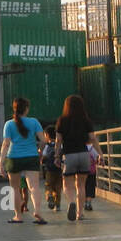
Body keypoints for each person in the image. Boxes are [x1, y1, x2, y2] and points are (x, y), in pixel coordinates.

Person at [0, 97, 48, 224]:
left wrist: (1, 162)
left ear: (14, 109)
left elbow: (5, 144)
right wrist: (40, 151)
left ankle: (18, 216)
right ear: (26, 109)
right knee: (34, 187)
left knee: (14, 188)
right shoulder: (34, 122)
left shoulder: (8, 124)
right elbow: (43, 140)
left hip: (13, 158)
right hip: (31, 157)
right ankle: (37, 212)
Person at [55, 94, 95, 222]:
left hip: (69, 155)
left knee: (67, 184)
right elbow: (92, 138)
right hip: (84, 154)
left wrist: (57, 155)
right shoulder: (86, 120)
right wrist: (99, 153)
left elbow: (58, 140)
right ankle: (80, 213)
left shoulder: (62, 120)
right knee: (81, 185)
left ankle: (72, 202)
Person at [40, 126, 63, 212]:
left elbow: (44, 156)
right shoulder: (60, 145)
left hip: (49, 170)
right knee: (58, 188)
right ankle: (58, 206)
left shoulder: (47, 146)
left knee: (48, 185)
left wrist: (41, 160)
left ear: (47, 135)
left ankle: (49, 195)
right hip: (59, 169)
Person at [85, 139, 100, 212]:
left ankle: (83, 202)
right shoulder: (92, 148)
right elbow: (96, 158)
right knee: (90, 187)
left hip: (82, 171)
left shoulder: (80, 148)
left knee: (82, 186)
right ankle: (88, 203)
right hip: (91, 171)